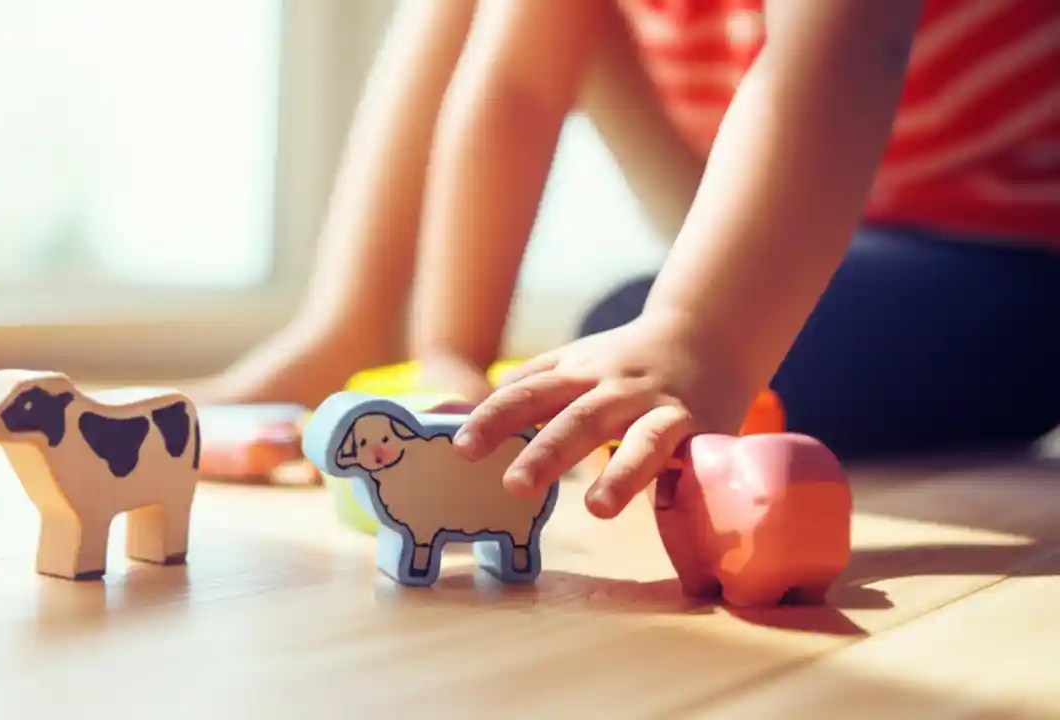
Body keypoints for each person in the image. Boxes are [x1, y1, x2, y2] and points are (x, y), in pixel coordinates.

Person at [196, 0, 1060, 520]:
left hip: (1008, 259)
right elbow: (514, 91)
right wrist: (448, 360)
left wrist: (699, 341)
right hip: (828, 225)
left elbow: (842, 54)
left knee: (628, 334)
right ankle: (347, 329)